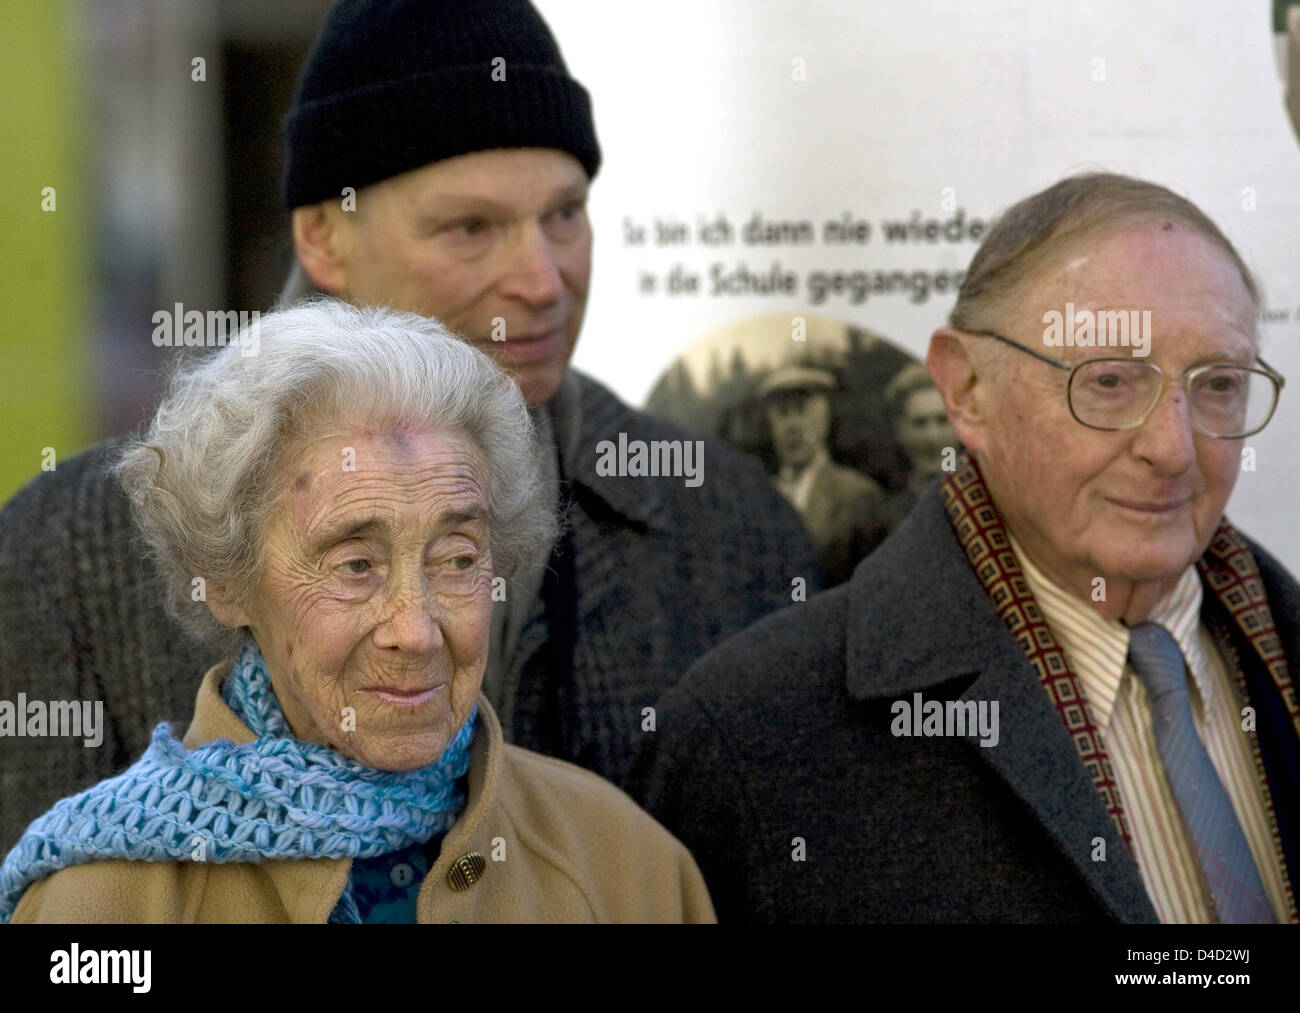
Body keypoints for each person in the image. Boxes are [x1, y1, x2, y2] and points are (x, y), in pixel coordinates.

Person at [0, 0, 816, 853]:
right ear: (322, 234)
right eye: (471, 226)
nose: (543, 278)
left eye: (564, 214)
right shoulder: (70, 549)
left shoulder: (726, 525)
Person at [626, 172, 1299, 924]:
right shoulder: (752, 739)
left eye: (1219, 384)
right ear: (968, 388)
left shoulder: (1282, 656)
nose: (1174, 447)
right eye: (1109, 381)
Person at [2, 301, 715, 924]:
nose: (415, 629)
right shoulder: (103, 900)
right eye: (355, 566)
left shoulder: (625, 866)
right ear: (224, 579)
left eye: (458, 559)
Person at [758, 366, 886, 585]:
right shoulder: (759, 497)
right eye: (782, 414)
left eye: (802, 412)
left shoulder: (857, 494)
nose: (792, 426)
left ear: (823, 421)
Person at [879, 362, 960, 528]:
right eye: (919, 424)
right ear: (900, 431)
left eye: (943, 421)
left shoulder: (996, 504)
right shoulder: (888, 518)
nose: (932, 437)